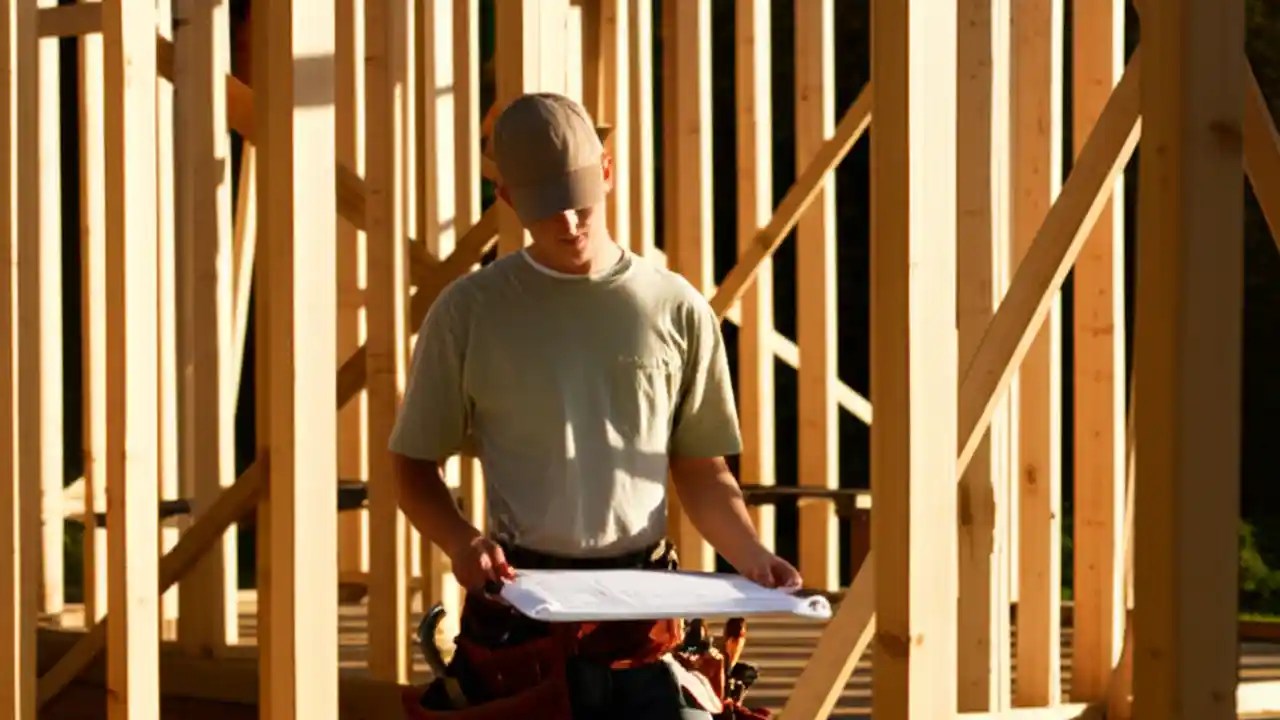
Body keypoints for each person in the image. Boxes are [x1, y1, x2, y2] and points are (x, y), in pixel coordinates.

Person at [389, 92, 797, 720]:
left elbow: (701, 468)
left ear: (607, 170)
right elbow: (413, 467)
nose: (570, 224)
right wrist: (462, 542)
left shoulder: (676, 308)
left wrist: (750, 555)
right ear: (508, 202)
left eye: (580, 203)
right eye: (547, 211)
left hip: (644, 621)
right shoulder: (470, 313)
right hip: (520, 613)